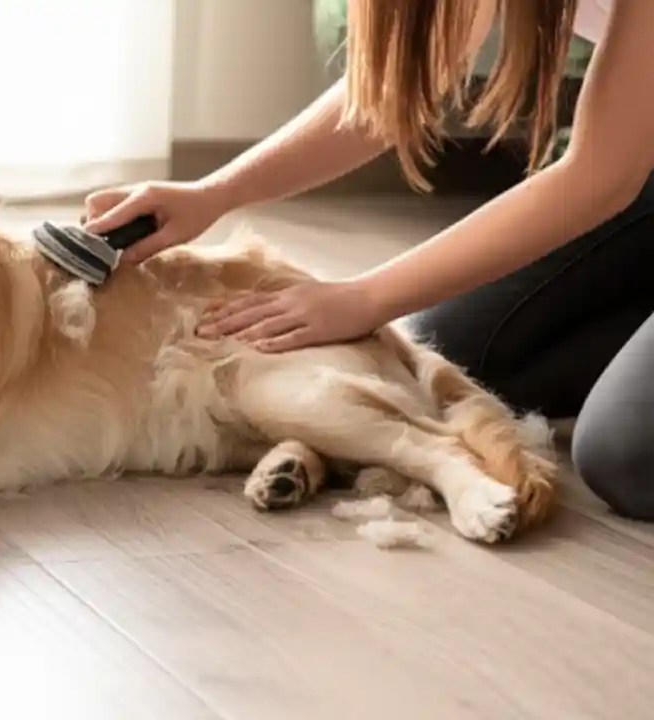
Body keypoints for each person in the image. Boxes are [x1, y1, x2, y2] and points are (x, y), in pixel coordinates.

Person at [82, 0, 653, 519]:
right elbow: (397, 85)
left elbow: (597, 176)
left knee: (628, 455)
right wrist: (214, 193)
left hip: (622, 173)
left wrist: (365, 296)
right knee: (440, 353)